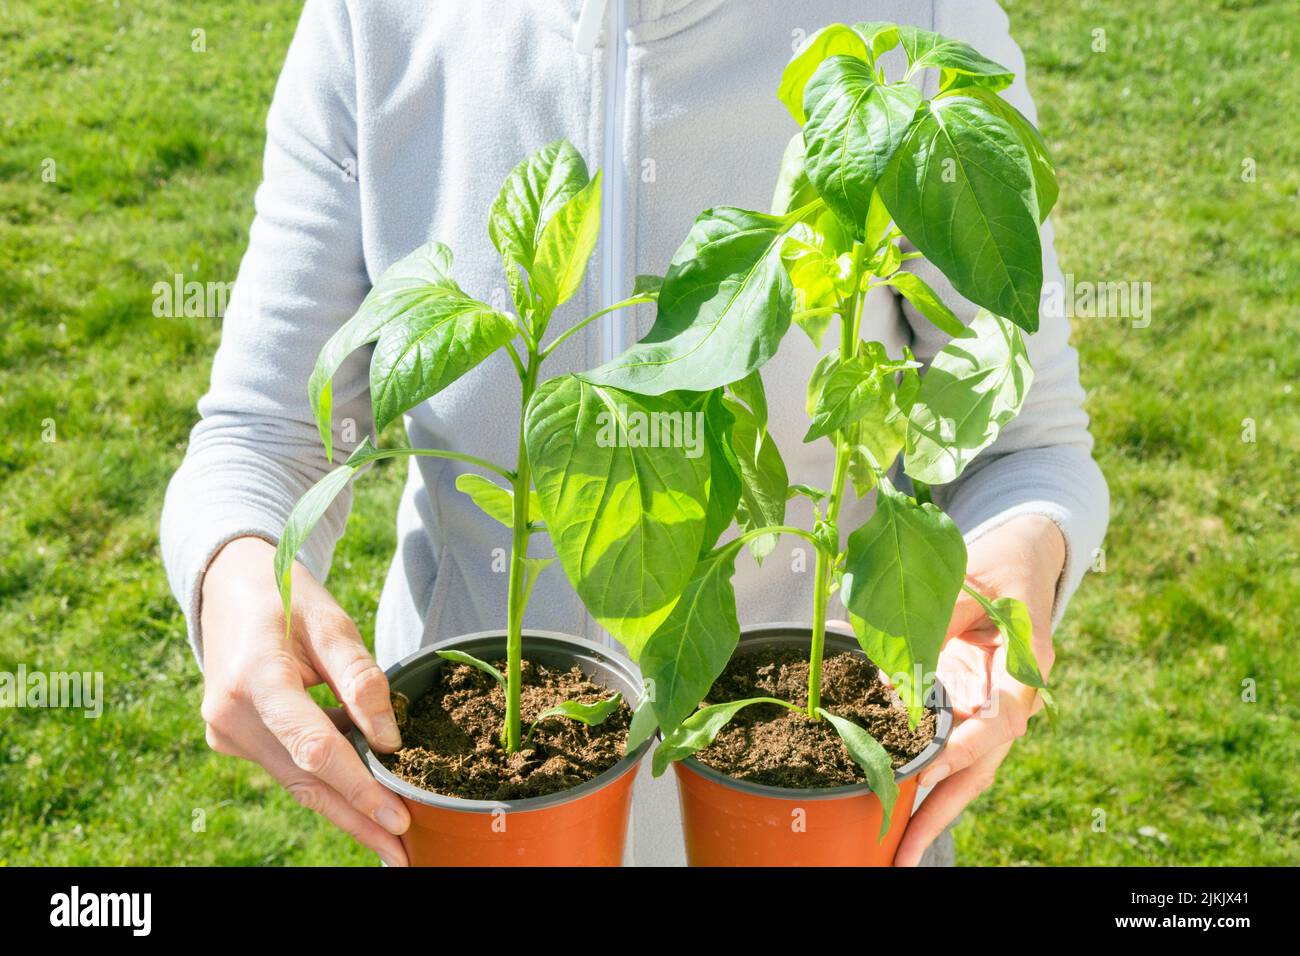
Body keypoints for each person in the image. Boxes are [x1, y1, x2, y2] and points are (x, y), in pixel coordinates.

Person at [162, 0, 1108, 868]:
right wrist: (237, 574)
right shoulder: (377, 18)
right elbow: (264, 432)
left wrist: (1015, 564)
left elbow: (1025, 444)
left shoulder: (912, 20)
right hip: (466, 795)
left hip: (826, 782)